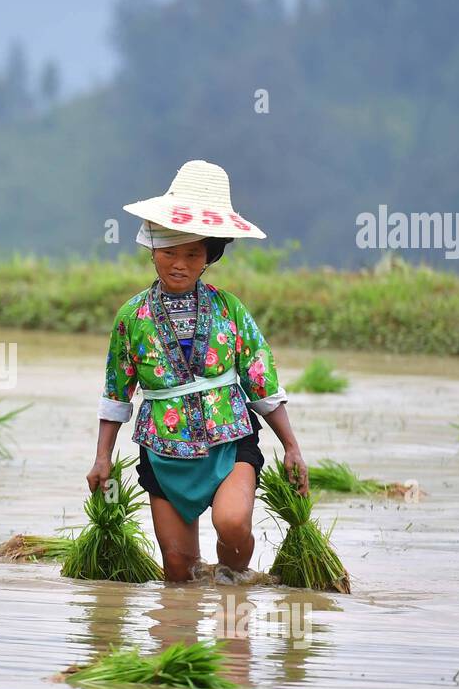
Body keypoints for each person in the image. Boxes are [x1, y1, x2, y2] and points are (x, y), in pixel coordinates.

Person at [86, 160, 308, 582]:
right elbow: (116, 393)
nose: (179, 264)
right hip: (163, 452)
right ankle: (189, 635)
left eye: (192, 254)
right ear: (152, 250)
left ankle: (235, 590)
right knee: (178, 572)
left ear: (209, 255)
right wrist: (102, 458)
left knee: (232, 524)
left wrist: (292, 447)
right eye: (169, 252)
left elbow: (261, 383)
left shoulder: (230, 310)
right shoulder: (131, 317)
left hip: (229, 443)